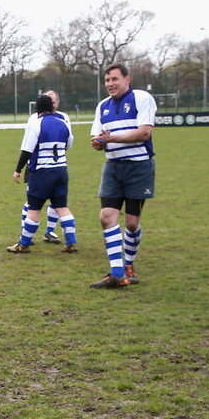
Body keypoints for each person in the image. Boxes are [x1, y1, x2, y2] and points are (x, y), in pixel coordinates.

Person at [88, 62, 157, 288]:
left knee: (131, 223)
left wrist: (111, 139)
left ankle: (129, 265)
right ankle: (117, 273)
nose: (110, 84)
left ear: (127, 80)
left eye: (114, 79)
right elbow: (99, 138)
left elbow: (144, 133)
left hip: (138, 168)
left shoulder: (141, 98)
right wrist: (98, 143)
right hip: (113, 168)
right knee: (106, 216)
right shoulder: (102, 107)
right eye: (107, 80)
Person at [7, 93, 77, 254]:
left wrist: (18, 170)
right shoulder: (63, 123)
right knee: (62, 207)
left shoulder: (37, 124)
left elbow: (27, 150)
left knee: (34, 209)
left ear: (37, 109)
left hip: (42, 173)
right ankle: (71, 241)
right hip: (61, 170)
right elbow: (69, 144)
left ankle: (23, 244)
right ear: (53, 107)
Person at [20, 90, 69, 244]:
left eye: (54, 101)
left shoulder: (64, 118)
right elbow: (27, 144)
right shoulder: (34, 119)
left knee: (56, 202)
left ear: (57, 103)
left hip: (55, 165)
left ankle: (49, 232)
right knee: (32, 202)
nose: (52, 104)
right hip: (36, 165)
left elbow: (67, 142)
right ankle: (25, 235)